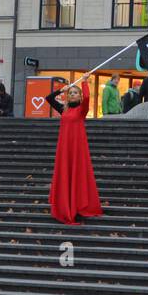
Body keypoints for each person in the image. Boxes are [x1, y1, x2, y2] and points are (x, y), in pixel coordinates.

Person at [44, 80, 103, 225]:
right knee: (65, 173)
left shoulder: (82, 110)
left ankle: (77, 206)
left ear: (79, 96)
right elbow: (49, 98)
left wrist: (84, 82)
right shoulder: (63, 109)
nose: (72, 94)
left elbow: (88, 97)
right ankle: (65, 207)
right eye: (70, 93)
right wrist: (61, 91)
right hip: (64, 148)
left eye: (75, 93)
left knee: (77, 174)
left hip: (77, 148)